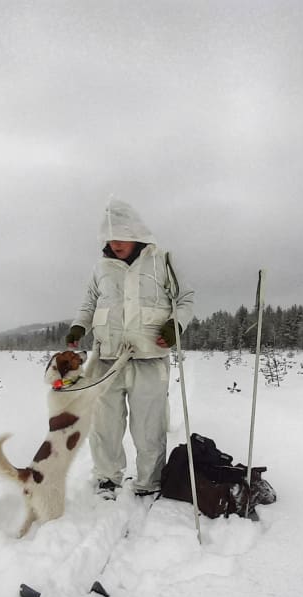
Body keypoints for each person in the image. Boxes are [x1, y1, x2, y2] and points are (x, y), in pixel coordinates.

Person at [66, 197, 194, 498]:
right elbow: (89, 302)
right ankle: (107, 478)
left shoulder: (162, 260)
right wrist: (79, 326)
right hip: (107, 358)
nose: (115, 243)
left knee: (149, 424)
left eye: (120, 236)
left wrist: (174, 326)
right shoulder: (101, 267)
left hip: (148, 356)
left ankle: (149, 482)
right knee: (105, 424)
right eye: (109, 238)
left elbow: (185, 298)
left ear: (135, 232)